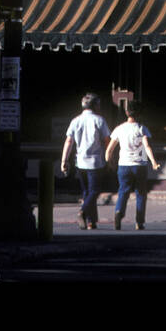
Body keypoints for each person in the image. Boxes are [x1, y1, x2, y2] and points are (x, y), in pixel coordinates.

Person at [105, 101, 160, 231]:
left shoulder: (119, 128)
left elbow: (109, 150)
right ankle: (139, 222)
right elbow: (147, 147)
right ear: (139, 113)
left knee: (123, 191)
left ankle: (119, 211)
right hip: (139, 165)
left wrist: (109, 162)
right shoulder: (142, 128)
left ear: (126, 112)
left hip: (123, 165)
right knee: (141, 193)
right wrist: (153, 162)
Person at [61, 93, 110, 230]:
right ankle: (82, 212)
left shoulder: (75, 121)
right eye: (98, 104)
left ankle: (91, 221)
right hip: (95, 161)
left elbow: (69, 141)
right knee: (94, 190)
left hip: (80, 161)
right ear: (94, 105)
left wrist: (64, 159)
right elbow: (107, 141)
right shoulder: (99, 120)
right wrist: (110, 157)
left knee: (86, 191)